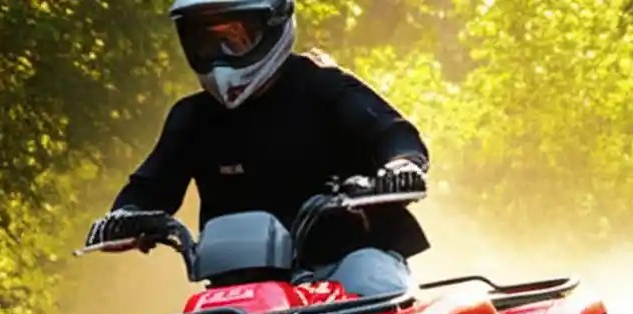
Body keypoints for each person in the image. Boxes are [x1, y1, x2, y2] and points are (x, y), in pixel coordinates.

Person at [84, 0, 431, 296]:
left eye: (236, 37)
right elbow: (149, 186)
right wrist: (124, 216)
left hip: (345, 261)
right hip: (238, 287)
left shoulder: (324, 87)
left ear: (274, 24)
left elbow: (392, 133)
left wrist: (401, 166)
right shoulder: (192, 117)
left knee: (378, 287)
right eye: (206, 40)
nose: (220, 56)